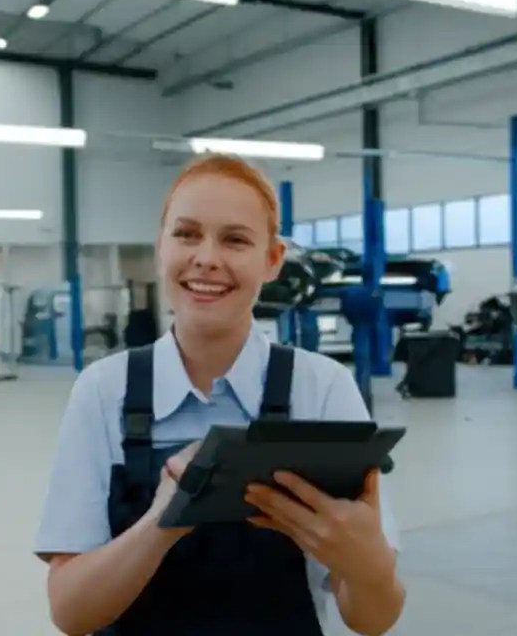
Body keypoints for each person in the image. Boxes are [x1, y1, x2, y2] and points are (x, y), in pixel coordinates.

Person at [34, 155, 406, 635]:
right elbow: (71, 611)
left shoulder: (321, 389)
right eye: (187, 234)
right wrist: (164, 522)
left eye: (235, 239)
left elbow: (374, 619)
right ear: (160, 248)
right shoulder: (105, 391)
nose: (207, 257)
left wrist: (365, 562)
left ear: (272, 260)